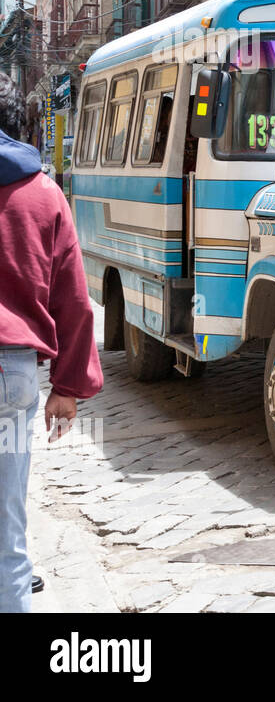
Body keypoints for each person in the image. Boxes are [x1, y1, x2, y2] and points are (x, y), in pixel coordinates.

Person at [0, 74, 102, 612]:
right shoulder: (43, 193)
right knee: (6, 538)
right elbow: (75, 298)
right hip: (12, 375)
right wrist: (67, 386)